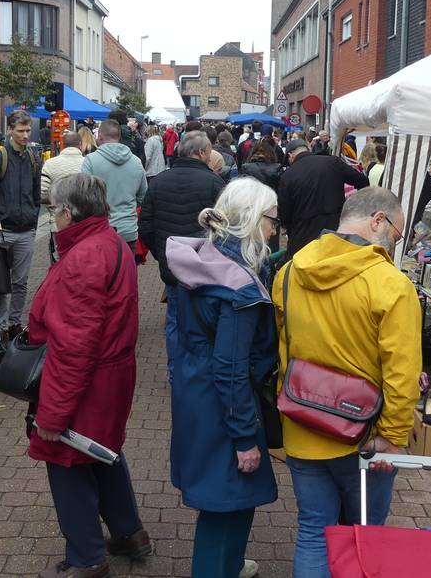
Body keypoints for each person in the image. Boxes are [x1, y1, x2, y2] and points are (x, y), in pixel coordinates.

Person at [274, 187, 421, 578]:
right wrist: (392, 436)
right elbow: (402, 373)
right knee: (363, 537)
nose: (394, 243)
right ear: (377, 220)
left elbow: (284, 347)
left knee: (314, 531)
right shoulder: (391, 285)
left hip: (303, 423)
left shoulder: (289, 273)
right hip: (365, 435)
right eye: (396, 233)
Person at [29, 173, 150, 578]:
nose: (53, 218)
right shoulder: (109, 241)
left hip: (88, 379)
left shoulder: (83, 256)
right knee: (101, 450)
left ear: (68, 212)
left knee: (67, 459)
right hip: (110, 374)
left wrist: (51, 414)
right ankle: (129, 532)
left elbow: (73, 346)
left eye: (53, 211)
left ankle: (86, 558)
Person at [167, 178, 279, 578]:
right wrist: (244, 436)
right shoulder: (238, 287)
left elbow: (179, 336)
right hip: (226, 405)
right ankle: (218, 567)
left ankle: (230, 564)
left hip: (197, 394)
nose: (274, 230)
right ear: (251, 219)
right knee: (223, 502)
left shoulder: (201, 260)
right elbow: (231, 368)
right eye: (271, 220)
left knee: (232, 496)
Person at [140, 131, 227, 380]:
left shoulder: (159, 181)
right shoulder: (214, 183)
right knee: (204, 321)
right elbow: (224, 226)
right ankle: (198, 373)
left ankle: (175, 371)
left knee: (175, 320)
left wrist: (162, 254)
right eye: (208, 151)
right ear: (200, 153)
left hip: (172, 265)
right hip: (204, 266)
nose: (210, 156)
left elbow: (145, 225)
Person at [0, 110, 42, 340]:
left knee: (21, 282)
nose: (26, 135)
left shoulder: (33, 158)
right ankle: (0, 328)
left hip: (25, 230)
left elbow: (36, 193)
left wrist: (34, 218)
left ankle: (14, 323)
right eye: (21, 131)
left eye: (28, 130)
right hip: (2, 230)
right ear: (9, 131)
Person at [277, 139, 370, 259]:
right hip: (334, 233)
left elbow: (284, 213)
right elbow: (362, 181)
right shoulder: (332, 162)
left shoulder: (287, 176)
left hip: (302, 238)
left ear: (290, 155)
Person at [81, 119, 148, 249]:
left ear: (100, 136)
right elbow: (143, 196)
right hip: (128, 229)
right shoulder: (136, 162)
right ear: (119, 137)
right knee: (128, 262)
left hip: (99, 229)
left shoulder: (90, 160)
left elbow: (83, 196)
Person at [42, 132, 87, 264]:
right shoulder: (88, 163)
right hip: (83, 224)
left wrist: (57, 203)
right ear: (80, 144)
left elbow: (42, 193)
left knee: (59, 264)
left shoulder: (50, 164)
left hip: (58, 224)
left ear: (63, 145)